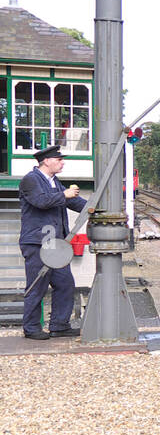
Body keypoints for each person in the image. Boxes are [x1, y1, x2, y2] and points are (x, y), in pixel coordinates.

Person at [19, 146, 87, 340]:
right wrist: (64, 195)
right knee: (37, 285)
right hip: (37, 243)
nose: (62, 162)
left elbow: (73, 203)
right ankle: (31, 328)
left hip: (55, 245)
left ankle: (59, 325)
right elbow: (41, 201)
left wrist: (96, 207)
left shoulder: (53, 181)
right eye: (59, 159)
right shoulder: (30, 180)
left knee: (65, 283)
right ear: (47, 161)